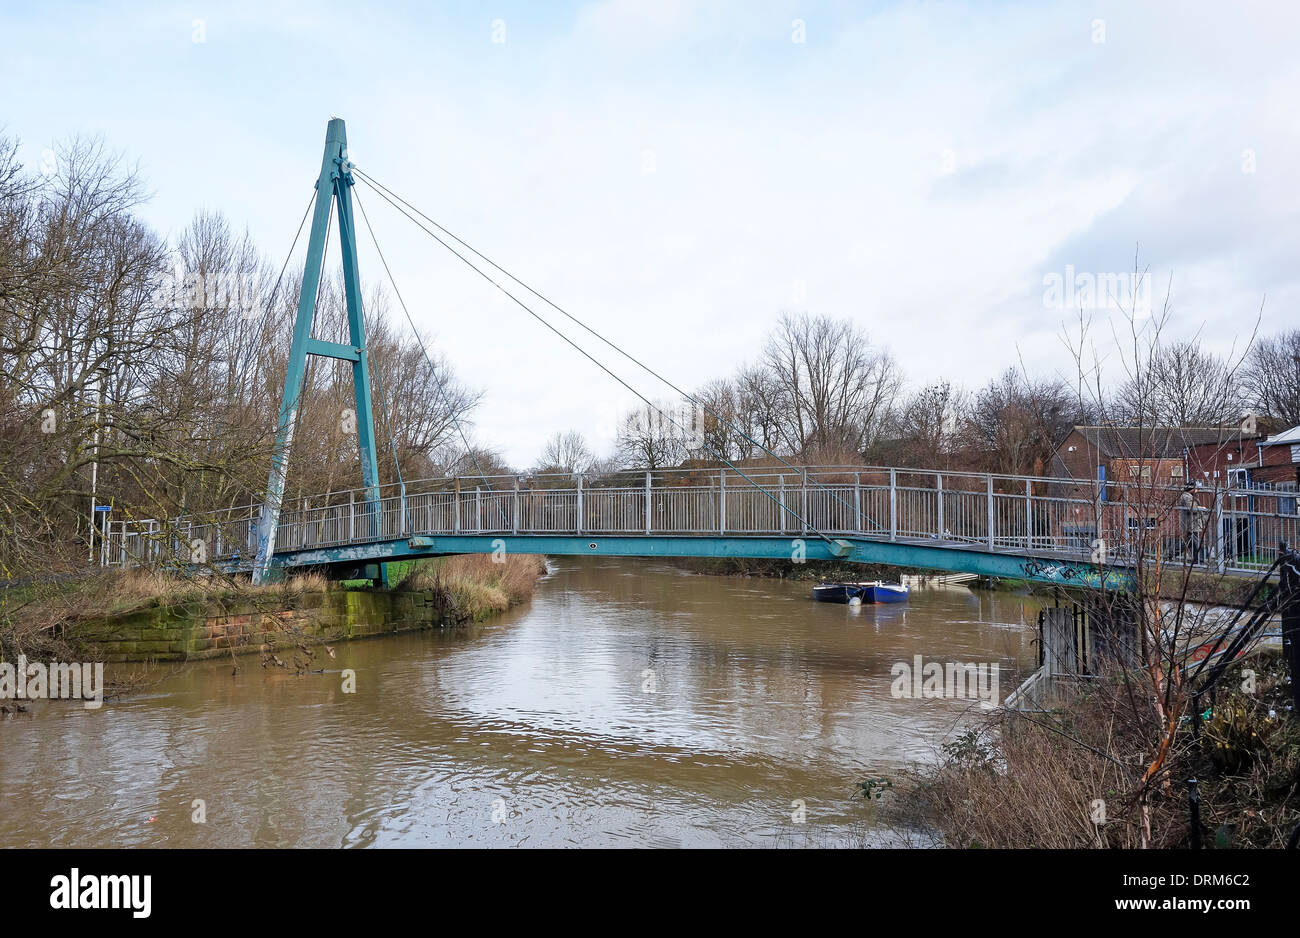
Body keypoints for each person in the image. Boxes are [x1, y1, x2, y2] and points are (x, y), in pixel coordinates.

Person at [1179, 485, 1202, 564]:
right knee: (1194, 541)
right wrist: (1200, 508)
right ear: (1191, 489)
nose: (1197, 490)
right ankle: (1197, 560)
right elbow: (1192, 508)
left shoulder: (1190, 496)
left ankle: (1172, 553)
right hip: (1191, 523)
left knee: (1190, 542)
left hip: (1193, 522)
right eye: (1195, 489)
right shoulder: (1186, 497)